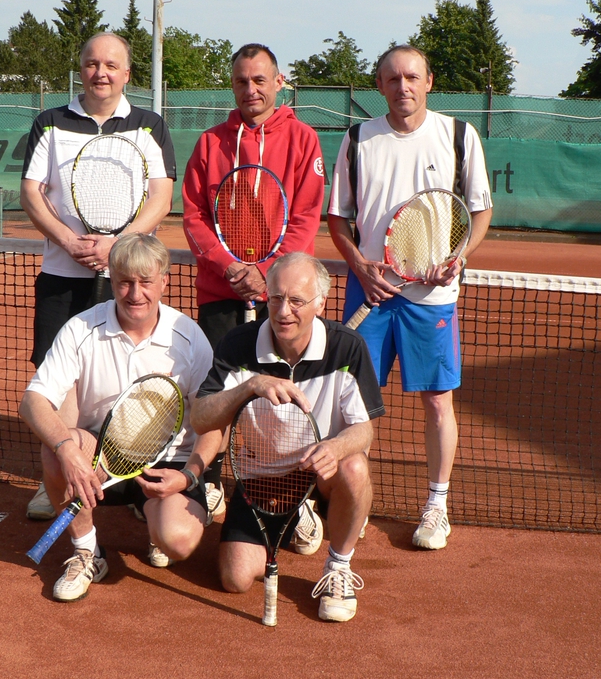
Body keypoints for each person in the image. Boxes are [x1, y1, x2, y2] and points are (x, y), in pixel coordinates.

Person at [328, 45, 494, 551]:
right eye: (393, 78)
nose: (403, 86)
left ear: (429, 82)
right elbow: (338, 218)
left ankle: (437, 505)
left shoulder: (459, 137)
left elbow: (480, 212)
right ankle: (342, 498)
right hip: (370, 291)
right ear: (379, 85)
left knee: (437, 401)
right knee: (350, 404)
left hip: (433, 297)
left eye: (412, 77)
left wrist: (460, 253)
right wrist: (360, 266)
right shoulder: (358, 139)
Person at [20, 32, 176, 521]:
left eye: (111, 65)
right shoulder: (50, 122)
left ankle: (129, 477)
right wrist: (68, 241)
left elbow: (161, 197)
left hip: (124, 273)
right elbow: (31, 192)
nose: (100, 72)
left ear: (127, 73)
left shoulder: (149, 125)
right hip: (62, 274)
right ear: (80, 70)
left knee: (130, 372)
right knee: (59, 378)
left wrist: (117, 247)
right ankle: (62, 477)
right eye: (91, 63)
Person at [19, 234, 221, 601]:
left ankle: (162, 518)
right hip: (101, 453)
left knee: (177, 541)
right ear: (111, 280)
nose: (135, 293)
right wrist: (67, 450)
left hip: (168, 460)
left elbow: (212, 423)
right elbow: (33, 400)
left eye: (145, 282)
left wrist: (189, 475)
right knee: (55, 448)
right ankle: (86, 551)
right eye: (125, 281)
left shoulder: (190, 338)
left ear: (164, 282)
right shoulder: (81, 328)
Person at [190, 253, 384, 622]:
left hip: (320, 475)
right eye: (276, 298)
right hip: (262, 479)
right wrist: (251, 385)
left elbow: (364, 428)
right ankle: (296, 520)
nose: (283, 311)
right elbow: (201, 418)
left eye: (297, 301)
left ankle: (338, 567)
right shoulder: (238, 344)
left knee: (355, 467)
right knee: (235, 579)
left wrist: (336, 446)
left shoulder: (347, 347)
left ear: (320, 303)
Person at [182, 43, 326, 525]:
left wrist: (268, 274)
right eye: (242, 81)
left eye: (260, 80)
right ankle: (211, 480)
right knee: (219, 390)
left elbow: (305, 218)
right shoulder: (209, 143)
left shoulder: (304, 139)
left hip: (280, 293)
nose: (251, 89)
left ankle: (291, 489)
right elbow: (196, 217)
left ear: (278, 81)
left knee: (282, 390)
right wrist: (231, 268)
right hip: (221, 290)